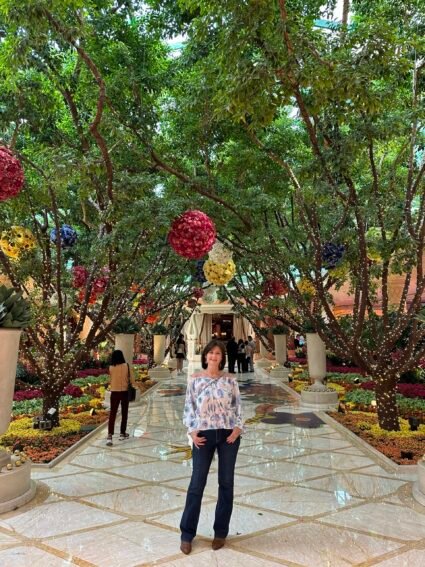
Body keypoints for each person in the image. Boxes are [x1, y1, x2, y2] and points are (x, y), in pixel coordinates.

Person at [179, 340, 243, 555]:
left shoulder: (230, 380)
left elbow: (238, 407)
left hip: (228, 435)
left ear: (222, 357)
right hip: (203, 435)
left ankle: (220, 532)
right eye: (211, 353)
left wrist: (237, 429)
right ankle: (187, 534)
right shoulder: (195, 380)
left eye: (218, 353)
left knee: (226, 483)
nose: (214, 356)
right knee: (197, 483)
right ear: (205, 356)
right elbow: (189, 407)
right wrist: (192, 431)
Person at [106, 349, 137, 446]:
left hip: (114, 392)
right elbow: (132, 380)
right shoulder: (127, 366)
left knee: (113, 414)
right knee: (124, 413)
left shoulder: (110, 367)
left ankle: (109, 436)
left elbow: (109, 380)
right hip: (124, 392)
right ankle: (122, 433)